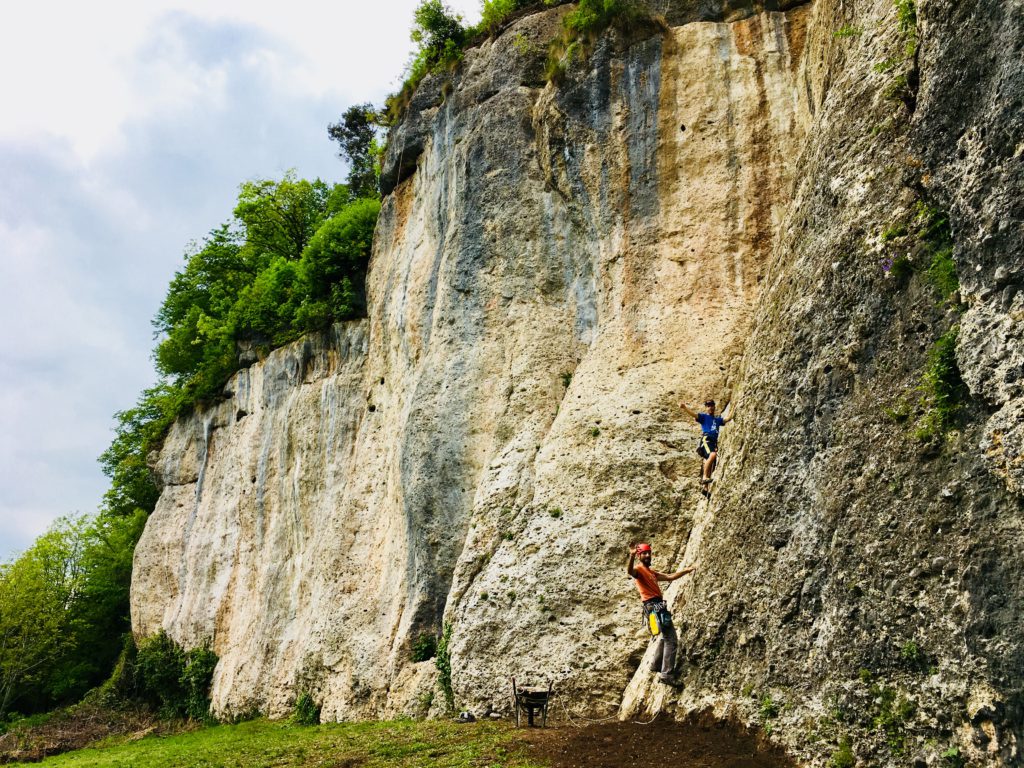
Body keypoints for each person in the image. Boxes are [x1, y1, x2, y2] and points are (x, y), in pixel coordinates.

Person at [626, 543, 696, 685]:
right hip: (654, 606)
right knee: (671, 639)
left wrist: (688, 570)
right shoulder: (639, 570)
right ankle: (666, 674)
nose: (647, 555)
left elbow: (670, 577)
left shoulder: (651, 573)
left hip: (655, 606)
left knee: (665, 636)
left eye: (648, 553)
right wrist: (632, 555)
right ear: (639, 556)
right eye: (644, 554)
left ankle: (656, 664)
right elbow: (629, 571)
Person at [680, 399, 734, 489]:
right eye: (708, 406)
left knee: (711, 463)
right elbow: (694, 415)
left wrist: (734, 406)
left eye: (711, 405)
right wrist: (685, 408)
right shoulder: (704, 417)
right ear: (706, 408)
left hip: (713, 443)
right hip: (706, 440)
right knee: (712, 455)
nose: (710, 407)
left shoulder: (717, 420)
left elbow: (728, 418)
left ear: (714, 406)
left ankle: (705, 488)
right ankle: (704, 477)